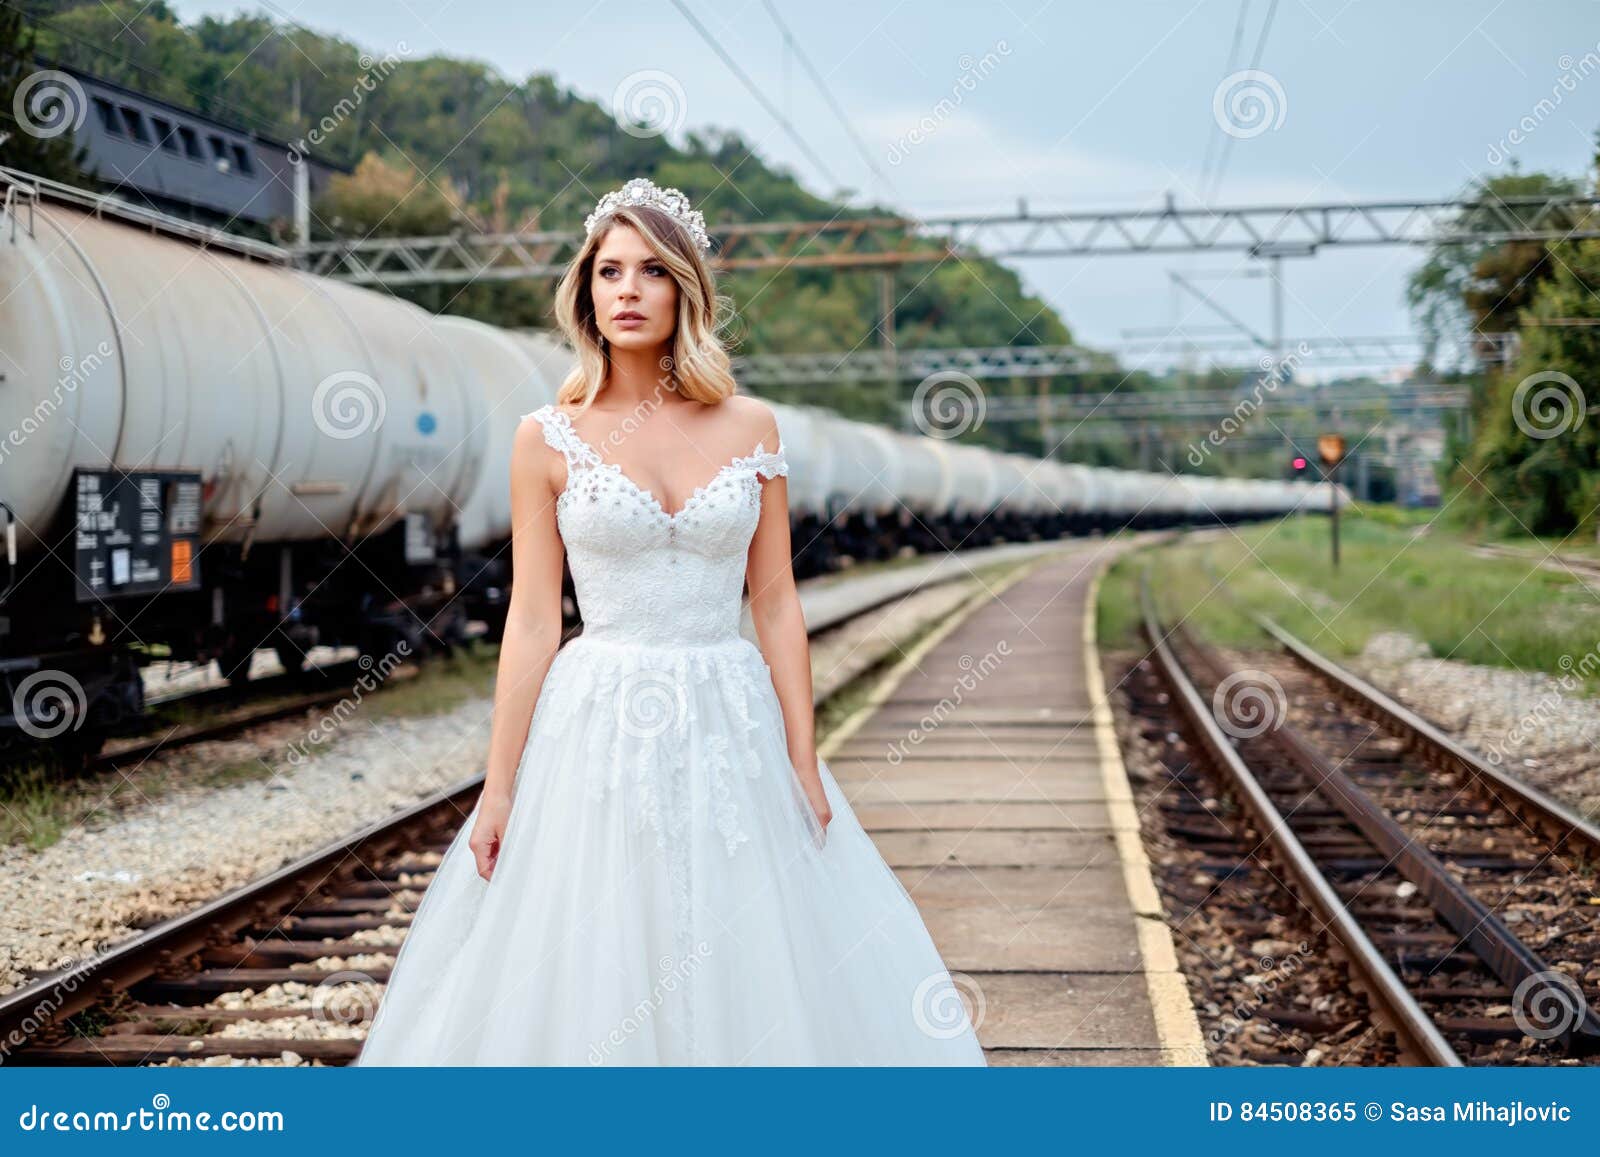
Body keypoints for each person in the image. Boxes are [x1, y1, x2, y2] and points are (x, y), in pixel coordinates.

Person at [354, 178, 985, 1066]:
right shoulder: (546, 437)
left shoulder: (751, 426)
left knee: (750, 942)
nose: (627, 289)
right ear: (586, 293)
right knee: (602, 940)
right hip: (598, 718)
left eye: (651, 270)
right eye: (609, 271)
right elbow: (533, 621)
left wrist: (805, 761)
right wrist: (498, 788)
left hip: (730, 715)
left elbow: (776, 605)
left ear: (685, 290)